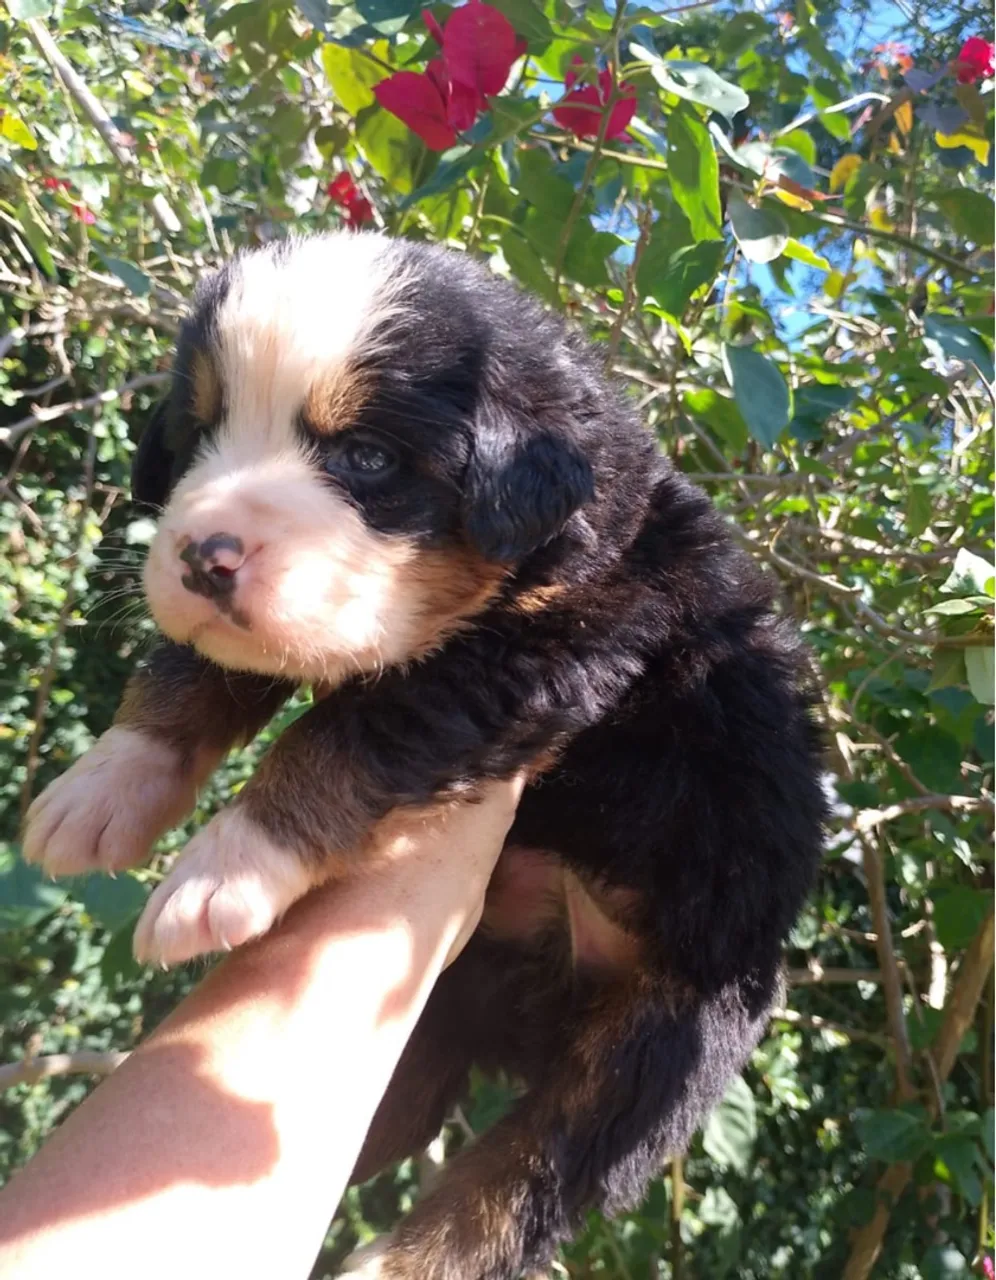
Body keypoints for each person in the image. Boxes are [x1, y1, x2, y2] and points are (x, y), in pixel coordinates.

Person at [0, 776, 525, 1280]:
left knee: (547, 1119)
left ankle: (455, 1250)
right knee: (411, 1098)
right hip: (452, 916)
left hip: (495, 912)